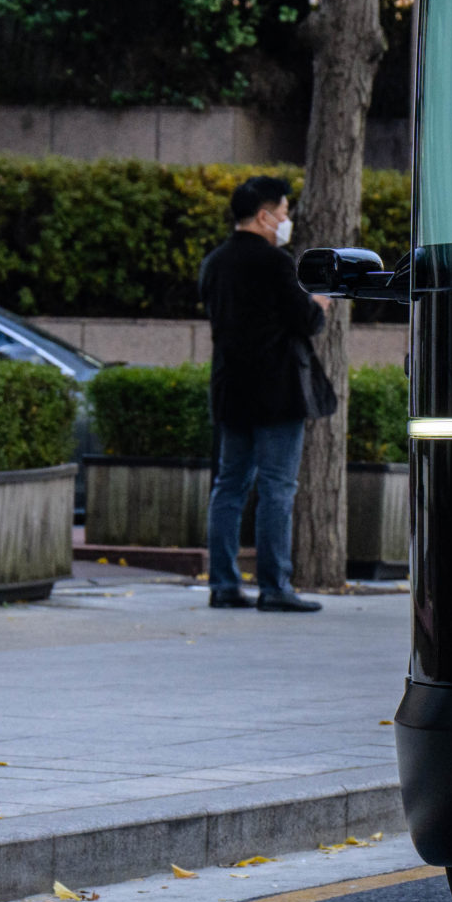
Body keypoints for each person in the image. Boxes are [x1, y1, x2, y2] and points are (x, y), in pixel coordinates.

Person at [198, 176, 333, 611]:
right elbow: (305, 320)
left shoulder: (215, 263)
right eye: (283, 212)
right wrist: (321, 303)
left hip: (230, 388)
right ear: (263, 215)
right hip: (277, 390)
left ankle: (223, 584)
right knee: (277, 487)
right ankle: (274, 586)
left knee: (229, 485)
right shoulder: (277, 263)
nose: (286, 220)